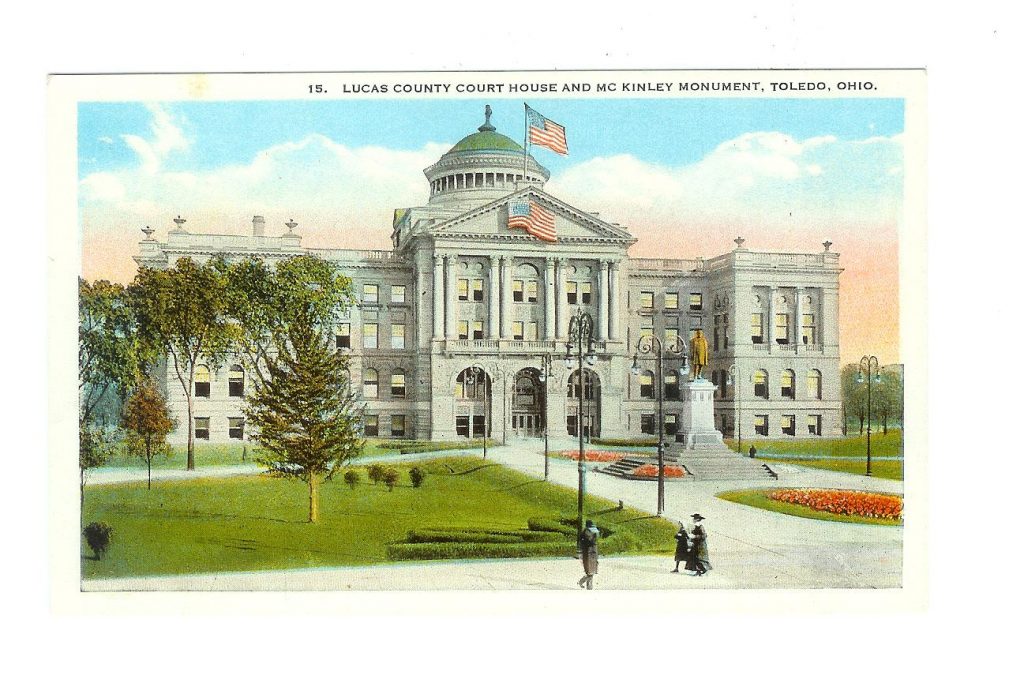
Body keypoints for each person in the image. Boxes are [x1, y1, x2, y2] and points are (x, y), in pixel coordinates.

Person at [577, 519, 600, 589]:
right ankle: (583, 582)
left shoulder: (591, 534)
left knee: (592, 571)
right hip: (588, 553)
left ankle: (589, 586)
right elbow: (581, 543)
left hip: (593, 553)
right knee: (589, 571)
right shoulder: (585, 533)